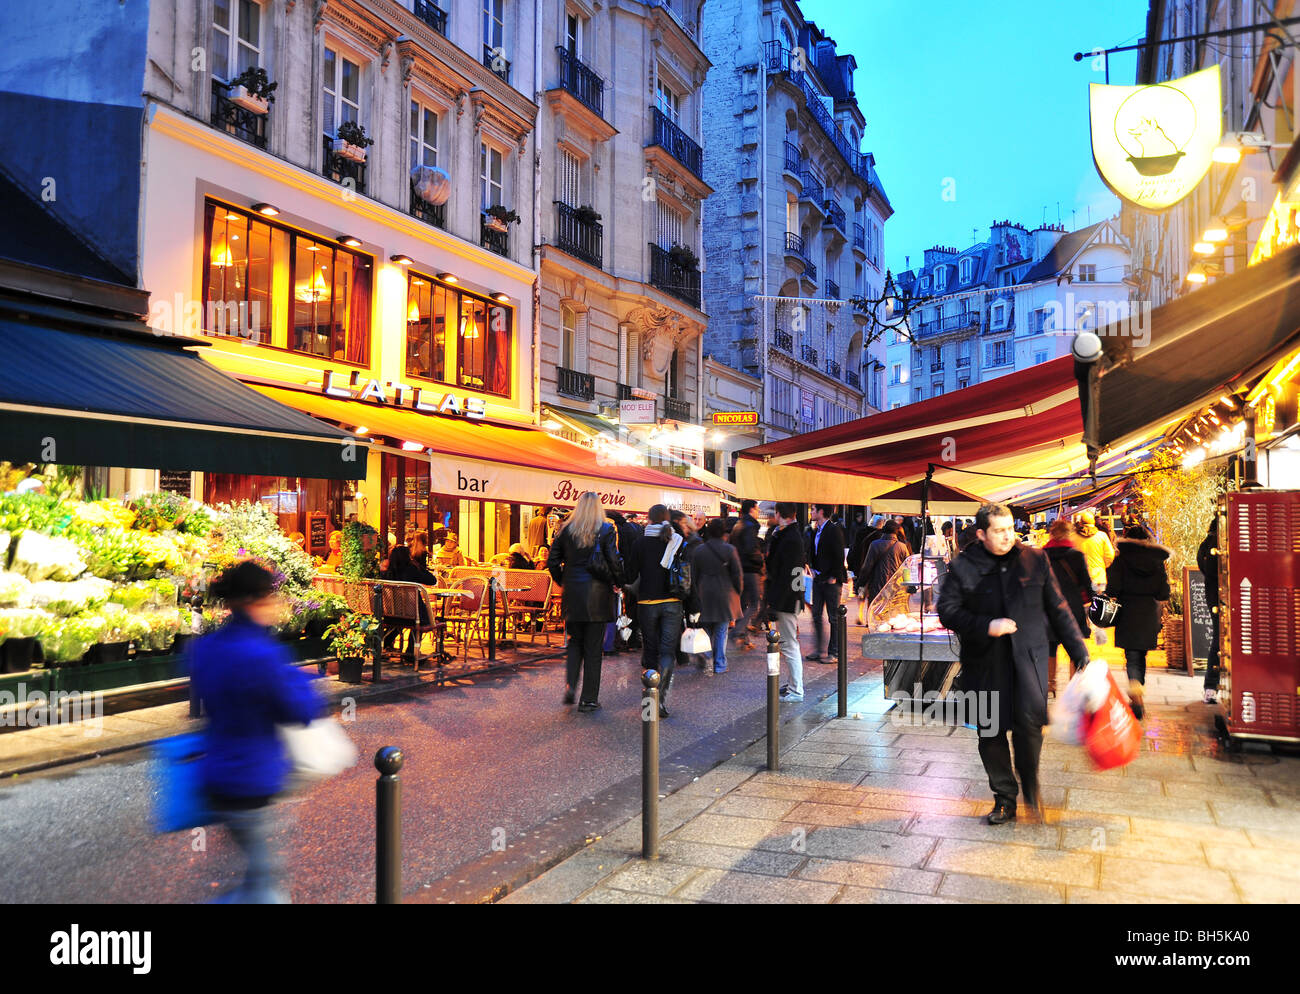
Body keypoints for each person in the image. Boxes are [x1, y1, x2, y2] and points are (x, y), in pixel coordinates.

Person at [937, 503, 1089, 825]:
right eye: (999, 530)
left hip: (1028, 664)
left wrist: (1079, 651)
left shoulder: (1035, 559)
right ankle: (1004, 798)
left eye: (1010, 528)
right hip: (983, 664)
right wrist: (985, 625)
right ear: (981, 534)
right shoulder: (964, 564)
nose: (1008, 536)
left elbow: (1058, 607)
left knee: (1030, 730)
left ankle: (1031, 789)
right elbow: (946, 610)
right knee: (989, 733)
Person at [187, 561, 324, 902]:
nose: (277, 605)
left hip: (216, 774)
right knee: (266, 887)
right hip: (253, 778)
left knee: (257, 874)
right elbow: (301, 710)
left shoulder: (207, 647)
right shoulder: (262, 654)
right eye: (272, 597)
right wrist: (302, 679)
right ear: (253, 601)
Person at [548, 492, 623, 712]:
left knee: (574, 642)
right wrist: (619, 582)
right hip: (598, 596)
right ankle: (589, 699)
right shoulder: (606, 529)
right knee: (592, 648)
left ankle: (571, 685)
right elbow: (613, 560)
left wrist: (564, 581)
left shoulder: (566, 530)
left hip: (573, 594)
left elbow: (552, 561)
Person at [625, 505, 688, 717]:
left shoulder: (640, 542)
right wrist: (694, 606)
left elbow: (630, 574)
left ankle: (649, 704)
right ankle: (660, 700)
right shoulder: (677, 540)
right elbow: (687, 573)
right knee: (667, 652)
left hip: (647, 603)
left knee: (650, 651)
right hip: (672, 602)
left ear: (649, 519)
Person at [1106, 524, 1171, 720]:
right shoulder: (1157, 562)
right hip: (1148, 613)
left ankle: (1136, 696)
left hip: (1128, 612)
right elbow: (1163, 592)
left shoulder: (1121, 560)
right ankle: (1137, 693)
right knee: (1141, 656)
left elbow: (1112, 590)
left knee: (1132, 657)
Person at [1042, 519, 1093, 696]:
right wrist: (1093, 602)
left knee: (1050, 645)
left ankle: (1050, 684)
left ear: (1051, 533)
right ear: (1068, 533)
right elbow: (1086, 582)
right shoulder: (1076, 555)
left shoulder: (1042, 555)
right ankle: (1074, 685)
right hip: (1072, 605)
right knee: (1073, 644)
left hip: (1048, 606)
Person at [764, 501, 808, 702]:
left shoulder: (790, 538)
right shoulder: (787, 535)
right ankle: (792, 685)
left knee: (789, 644)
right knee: (787, 643)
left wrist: (783, 601)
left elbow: (791, 573)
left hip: (786, 599)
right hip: (787, 598)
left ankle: (796, 689)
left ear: (779, 513)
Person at [689, 518, 743, 675]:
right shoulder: (730, 550)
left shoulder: (699, 550)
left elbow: (694, 576)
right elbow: (737, 575)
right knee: (721, 631)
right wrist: (738, 592)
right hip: (725, 596)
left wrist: (696, 594)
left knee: (705, 630)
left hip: (704, 595)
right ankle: (719, 664)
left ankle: (706, 658)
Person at [806, 504, 847, 663]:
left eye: (813, 510)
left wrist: (833, 576)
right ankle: (819, 649)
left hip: (831, 580)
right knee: (816, 614)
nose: (811, 512)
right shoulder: (816, 529)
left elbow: (838, 555)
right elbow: (815, 552)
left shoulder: (833, 530)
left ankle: (834, 652)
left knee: (833, 617)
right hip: (818, 578)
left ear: (821, 512)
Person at [729, 499, 765, 650]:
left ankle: (743, 638)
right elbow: (751, 549)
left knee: (743, 604)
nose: (758, 512)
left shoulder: (738, 525)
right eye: (757, 509)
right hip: (751, 570)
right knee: (755, 604)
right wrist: (760, 561)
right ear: (752, 509)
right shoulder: (751, 526)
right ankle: (737, 632)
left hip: (739, 569)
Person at [1196, 517, 1221, 705]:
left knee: (1219, 640)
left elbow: (1204, 570)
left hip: (1213, 596)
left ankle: (1210, 688)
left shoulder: (1206, 544)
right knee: (1220, 640)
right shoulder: (1216, 544)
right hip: (1223, 597)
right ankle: (1211, 687)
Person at [861, 520, 910, 608]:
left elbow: (867, 567)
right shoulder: (902, 547)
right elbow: (907, 568)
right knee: (893, 616)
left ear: (884, 530)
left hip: (877, 586)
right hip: (896, 587)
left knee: (875, 613)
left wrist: (861, 583)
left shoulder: (874, 545)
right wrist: (907, 584)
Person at [1074, 510, 1115, 592]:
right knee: (1099, 601)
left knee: (1083, 602)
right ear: (1093, 522)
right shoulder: (1102, 536)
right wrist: (1102, 566)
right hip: (1098, 577)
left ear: (1081, 522)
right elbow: (1110, 555)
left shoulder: (1072, 537)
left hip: (1079, 578)